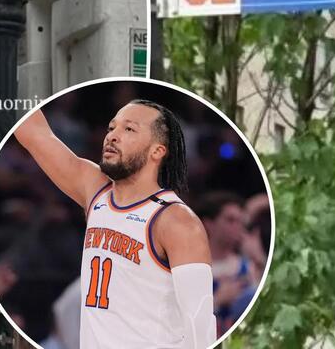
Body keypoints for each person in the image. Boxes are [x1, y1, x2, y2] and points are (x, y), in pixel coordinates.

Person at [14, 101, 217, 349]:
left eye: (129, 129)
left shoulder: (176, 220)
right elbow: (35, 134)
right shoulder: (95, 190)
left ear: (157, 151)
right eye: (112, 127)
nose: (112, 136)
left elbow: (200, 325)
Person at [196, 192, 264, 334]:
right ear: (209, 224)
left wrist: (259, 258)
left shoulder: (248, 268)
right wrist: (217, 300)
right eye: (230, 220)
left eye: (240, 221)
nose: (237, 227)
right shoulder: (190, 267)